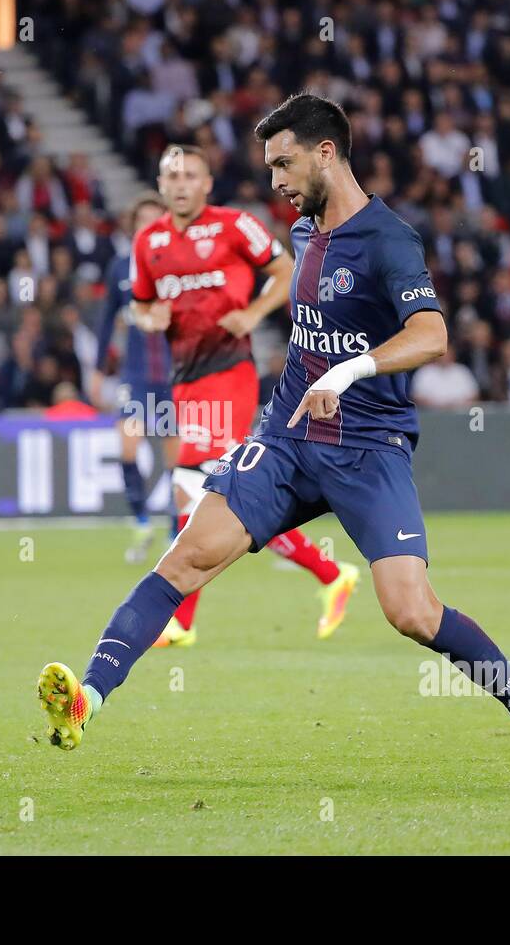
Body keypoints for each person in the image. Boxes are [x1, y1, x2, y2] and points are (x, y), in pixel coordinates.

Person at [37, 94, 510, 765]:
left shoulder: (388, 240)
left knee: (411, 612)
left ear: (327, 152)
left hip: (369, 446)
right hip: (289, 436)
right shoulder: (302, 234)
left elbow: (432, 334)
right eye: (269, 168)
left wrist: (351, 370)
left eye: (284, 164)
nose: (276, 183)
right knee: (185, 558)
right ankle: (87, 699)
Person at [128, 143, 360, 648]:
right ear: (162, 186)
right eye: (172, 176)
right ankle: (328, 573)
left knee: (196, 485)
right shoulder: (148, 242)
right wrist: (151, 319)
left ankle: (181, 620)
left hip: (230, 374)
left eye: (191, 174)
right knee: (221, 501)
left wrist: (254, 314)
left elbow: (286, 270)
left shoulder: (234, 226)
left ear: (207, 183)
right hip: (186, 380)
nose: (181, 183)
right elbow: (139, 306)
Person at [91, 193, 178, 564]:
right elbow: (106, 319)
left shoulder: (179, 263)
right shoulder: (120, 268)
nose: (148, 225)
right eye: (141, 219)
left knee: (176, 459)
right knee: (128, 446)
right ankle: (142, 524)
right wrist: (97, 369)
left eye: (154, 219)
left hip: (174, 372)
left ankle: (176, 532)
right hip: (136, 374)